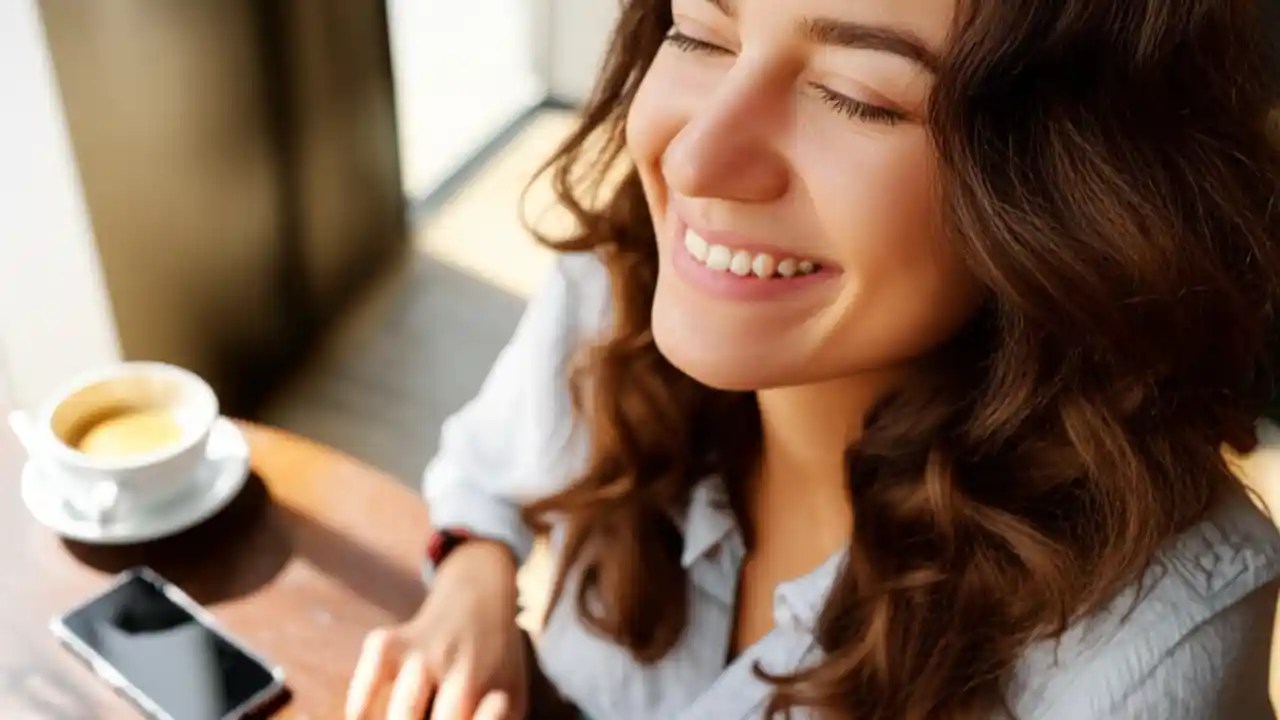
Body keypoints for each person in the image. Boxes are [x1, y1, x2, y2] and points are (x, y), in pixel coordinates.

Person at [345, 0, 1280, 718]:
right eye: (704, 34)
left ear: (1067, 186)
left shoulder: (1149, 637)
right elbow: (486, 469)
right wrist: (471, 583)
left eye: (857, 99)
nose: (701, 160)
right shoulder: (632, 276)